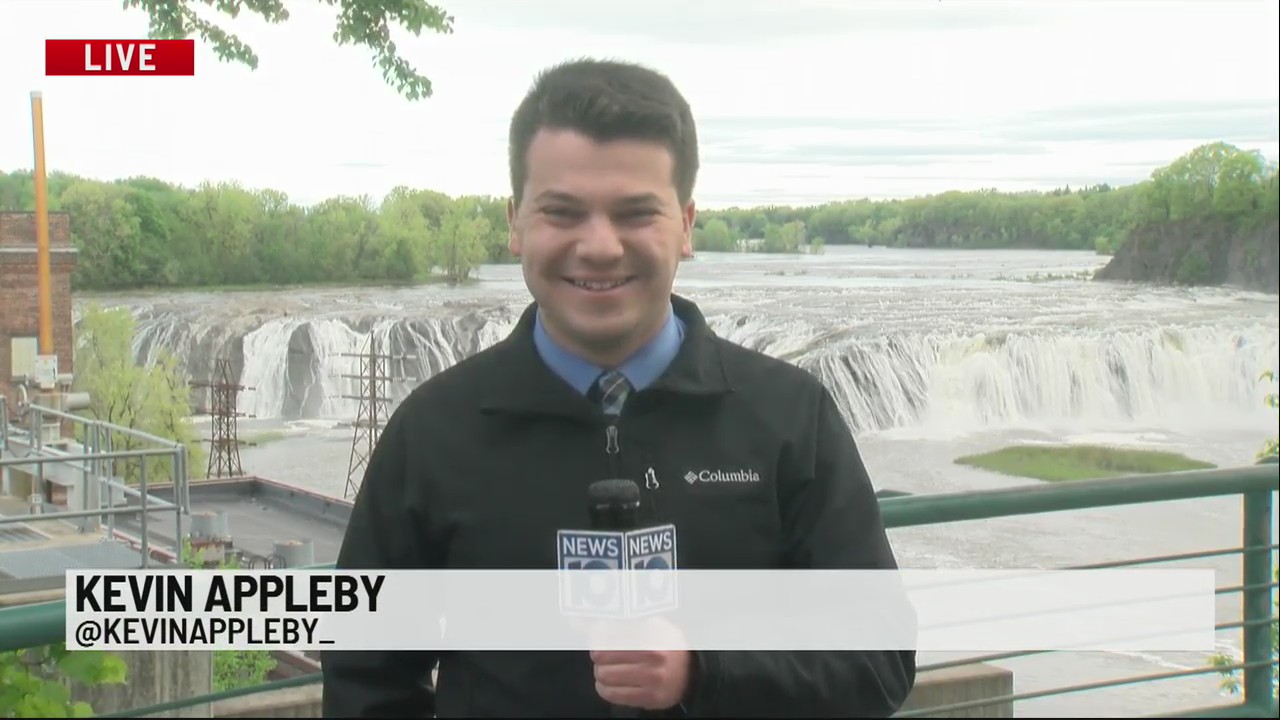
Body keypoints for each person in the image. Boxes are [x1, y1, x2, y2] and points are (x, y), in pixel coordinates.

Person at [321, 57, 917, 718]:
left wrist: (704, 673)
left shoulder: (788, 418)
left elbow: (879, 660)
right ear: (515, 222)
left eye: (636, 214)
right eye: (563, 212)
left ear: (686, 225)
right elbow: (363, 674)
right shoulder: (433, 432)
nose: (600, 246)